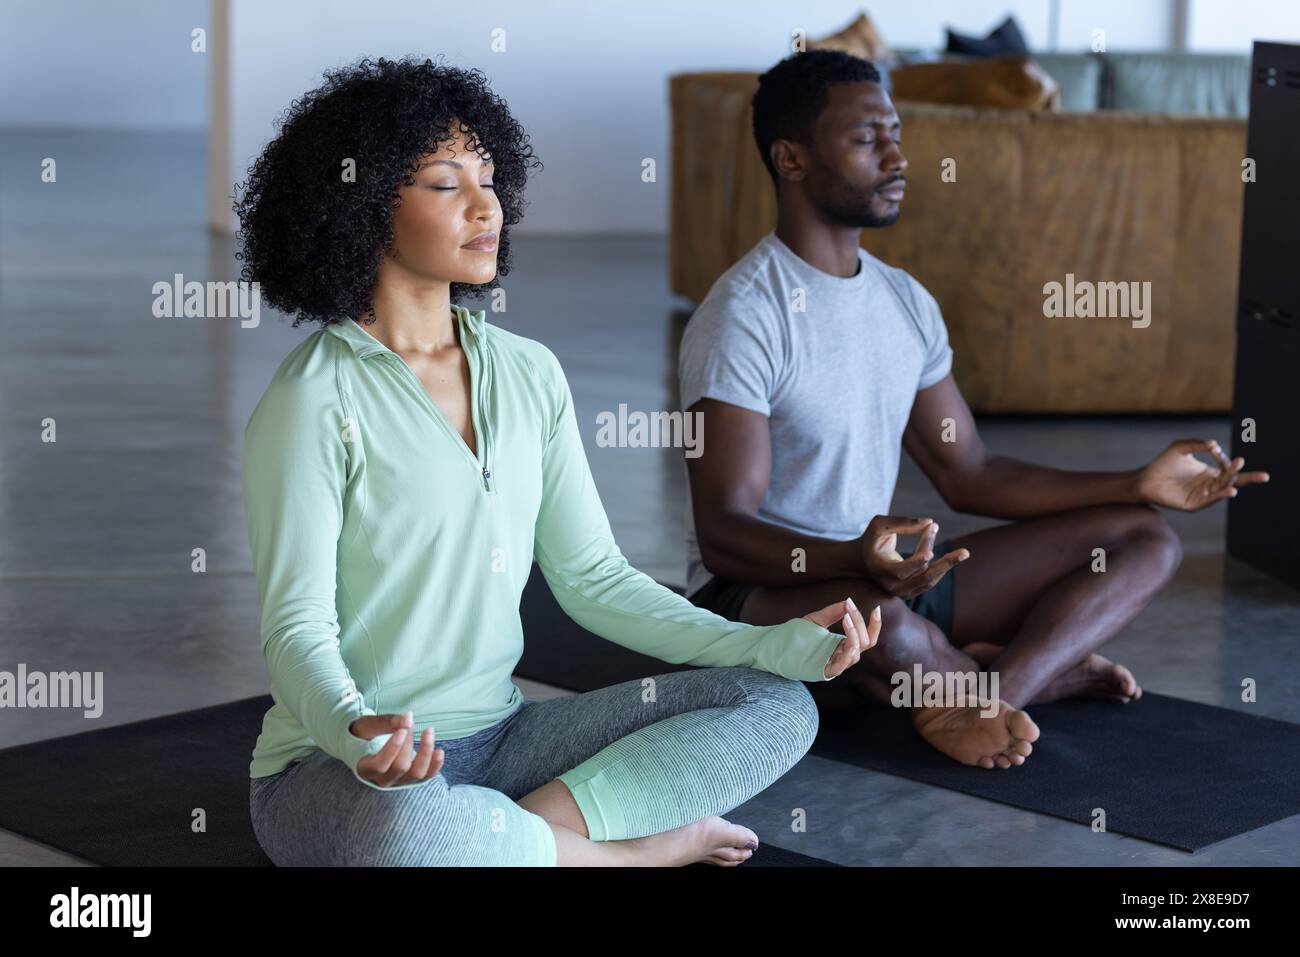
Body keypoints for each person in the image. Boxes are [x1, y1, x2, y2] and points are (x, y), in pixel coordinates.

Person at [235, 55, 877, 867]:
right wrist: (353, 728)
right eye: (445, 183)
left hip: (504, 741)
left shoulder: (528, 370)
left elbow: (595, 580)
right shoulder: (312, 401)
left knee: (778, 706)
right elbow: (296, 628)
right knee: (412, 835)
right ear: (363, 206)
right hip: (341, 770)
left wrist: (767, 645)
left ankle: (524, 842)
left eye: (490, 178)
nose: (484, 206)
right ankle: (626, 855)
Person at [678, 50, 1269, 771]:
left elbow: (972, 471)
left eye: (895, 133)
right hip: (758, 602)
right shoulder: (744, 315)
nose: (897, 156)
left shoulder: (905, 303)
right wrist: (856, 559)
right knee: (877, 622)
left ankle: (990, 691)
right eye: (868, 140)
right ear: (791, 159)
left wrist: (1135, 482)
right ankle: (999, 673)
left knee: (1146, 539)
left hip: (884, 581)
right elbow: (724, 538)